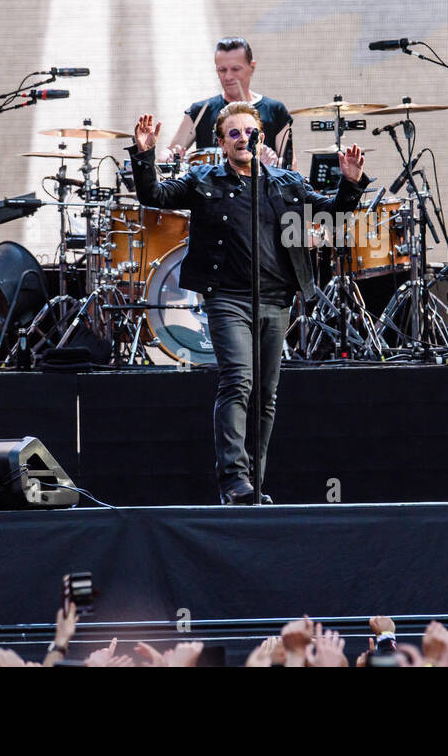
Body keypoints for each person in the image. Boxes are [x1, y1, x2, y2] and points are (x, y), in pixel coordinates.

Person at [130, 102, 368, 503]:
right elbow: (153, 194)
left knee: (265, 394)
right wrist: (145, 154)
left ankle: (253, 485)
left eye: (248, 132)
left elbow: (335, 215)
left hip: (277, 299)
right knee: (238, 380)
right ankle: (233, 481)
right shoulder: (203, 180)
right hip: (227, 298)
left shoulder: (285, 183)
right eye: (234, 133)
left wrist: (350, 183)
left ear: (260, 138)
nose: (243, 138)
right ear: (221, 143)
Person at [169, 36, 294, 168]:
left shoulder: (275, 110)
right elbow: (170, 153)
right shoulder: (200, 110)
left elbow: (291, 164)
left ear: (252, 67)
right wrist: (171, 155)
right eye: (222, 70)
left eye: (235, 69)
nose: (228, 77)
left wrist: (270, 161)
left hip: (260, 186)